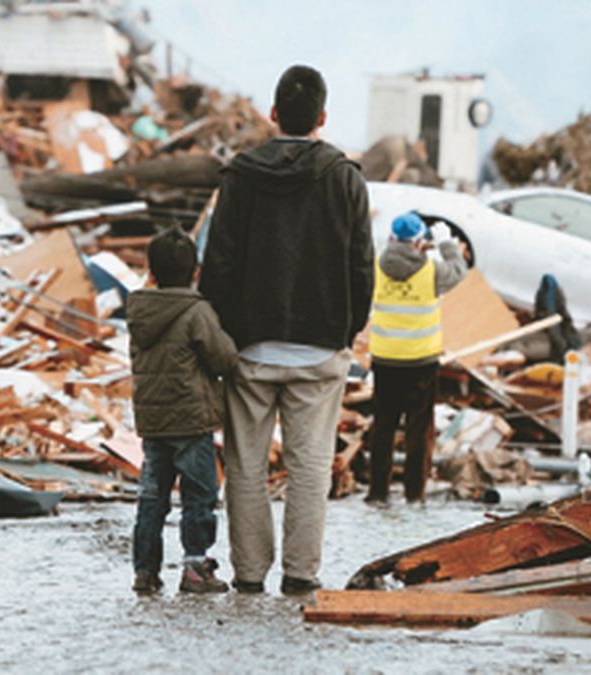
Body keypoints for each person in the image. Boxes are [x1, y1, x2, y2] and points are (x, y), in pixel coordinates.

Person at [199, 65, 374, 595]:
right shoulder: (345, 178)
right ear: (323, 117)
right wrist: (348, 329)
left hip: (250, 348)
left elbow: (218, 264)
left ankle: (249, 573)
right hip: (320, 349)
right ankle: (301, 574)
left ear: (274, 114)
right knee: (311, 467)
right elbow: (361, 264)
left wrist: (222, 335)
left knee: (245, 468)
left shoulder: (240, 177)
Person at [128, 228, 239, 594]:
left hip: (153, 421)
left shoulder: (139, 311)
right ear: (195, 272)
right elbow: (223, 358)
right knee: (199, 497)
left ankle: (145, 570)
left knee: (152, 497)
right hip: (191, 421)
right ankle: (194, 566)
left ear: (151, 273)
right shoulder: (197, 312)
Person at [366, 212, 469, 503]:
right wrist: (446, 243)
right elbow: (459, 271)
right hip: (421, 362)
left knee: (383, 427)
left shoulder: (375, 268)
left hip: (385, 360)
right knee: (419, 431)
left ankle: (377, 492)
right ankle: (414, 494)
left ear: (392, 238)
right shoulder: (432, 271)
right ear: (419, 242)